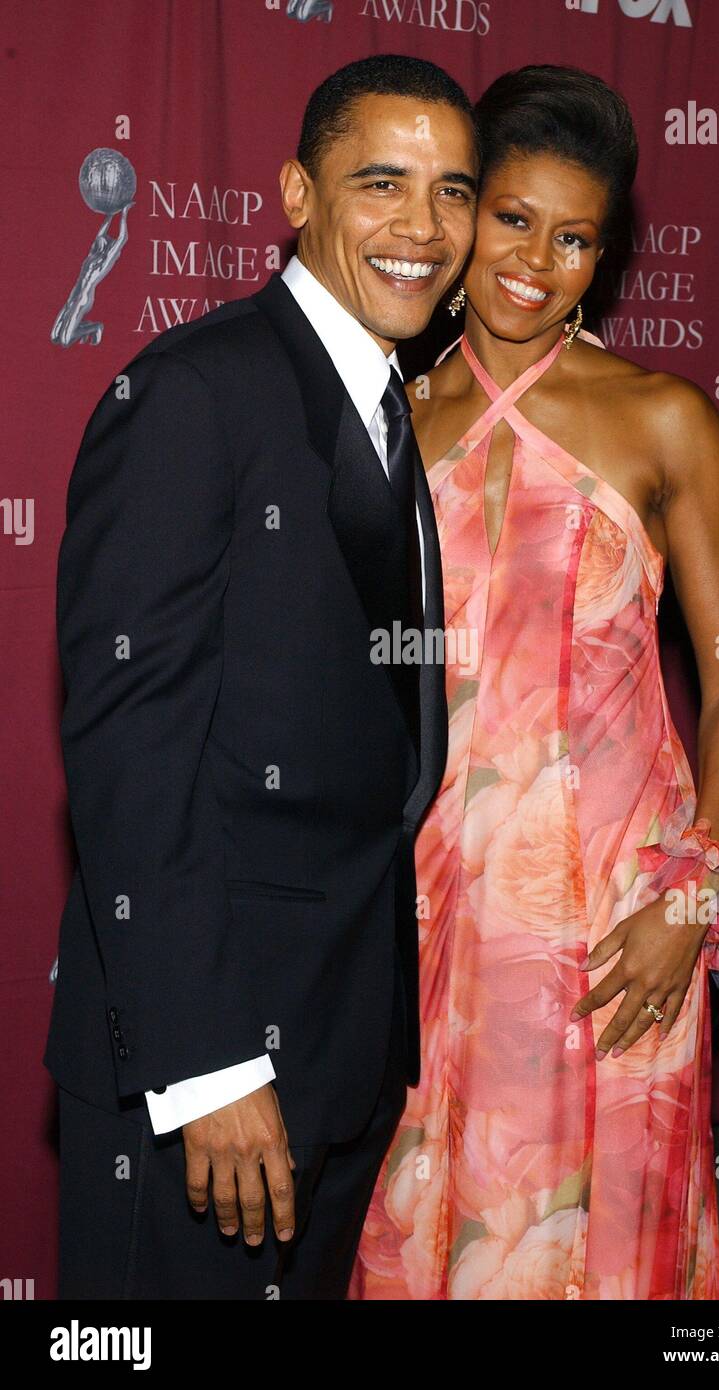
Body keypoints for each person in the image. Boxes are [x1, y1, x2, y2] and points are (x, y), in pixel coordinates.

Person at [349, 64, 719, 1301]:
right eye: (510, 219)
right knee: (441, 1207)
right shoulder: (390, 415)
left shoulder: (661, 417)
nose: (534, 262)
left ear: (602, 258)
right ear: (461, 214)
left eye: (574, 239)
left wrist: (691, 897)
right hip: (432, 898)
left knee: (601, 1238)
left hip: (618, 909)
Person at [44, 53, 478, 1300]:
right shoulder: (193, 394)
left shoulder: (384, 404)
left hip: (337, 1045)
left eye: (452, 191)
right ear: (298, 190)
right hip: (208, 1067)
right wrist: (213, 1066)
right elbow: (131, 751)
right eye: (381, 183)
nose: (423, 227)